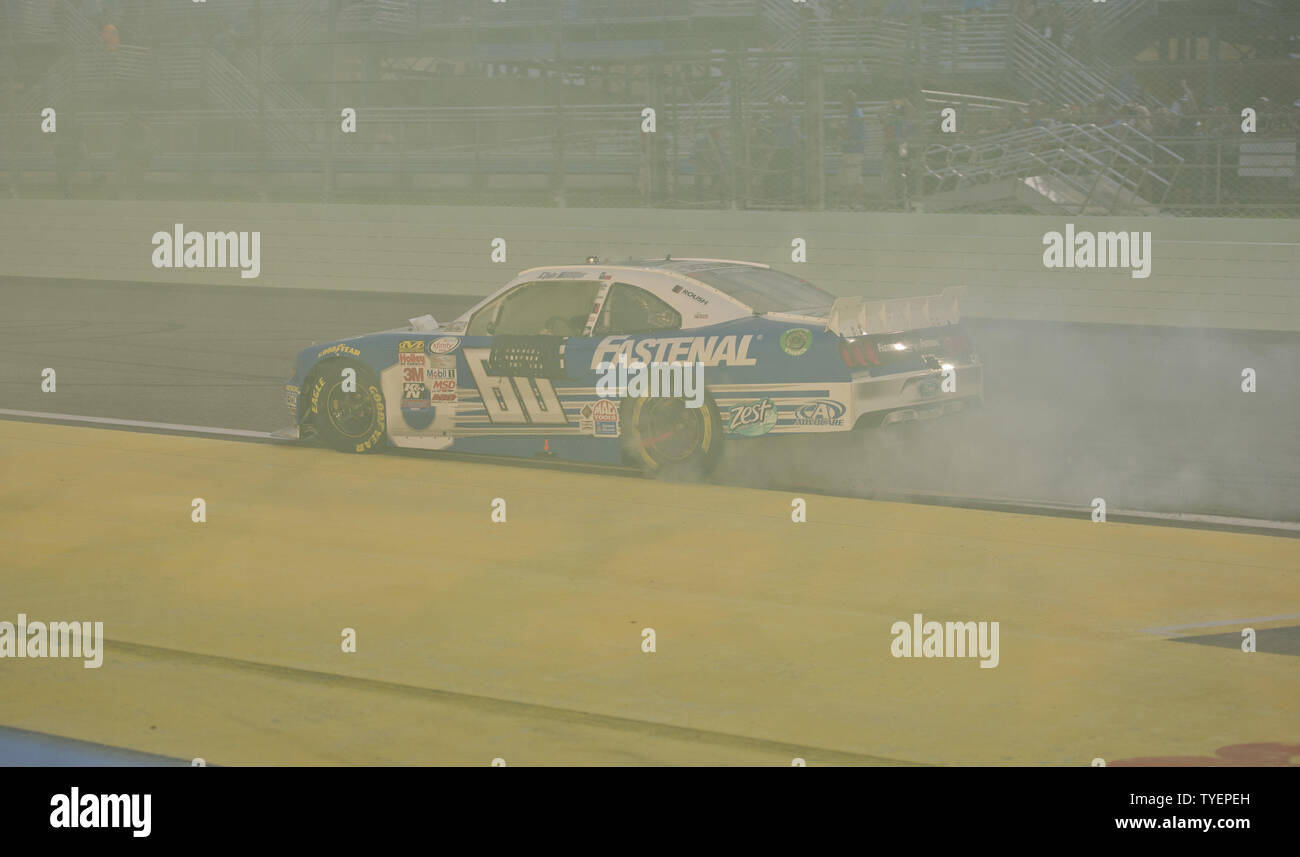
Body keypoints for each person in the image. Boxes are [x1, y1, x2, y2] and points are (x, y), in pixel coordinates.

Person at [835, 90, 867, 208]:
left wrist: (839, 128)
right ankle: (852, 202)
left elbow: (849, 134)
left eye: (843, 103)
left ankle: (854, 202)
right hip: (851, 150)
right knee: (851, 177)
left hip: (853, 150)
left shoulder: (855, 115)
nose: (842, 106)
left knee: (851, 178)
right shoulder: (854, 114)